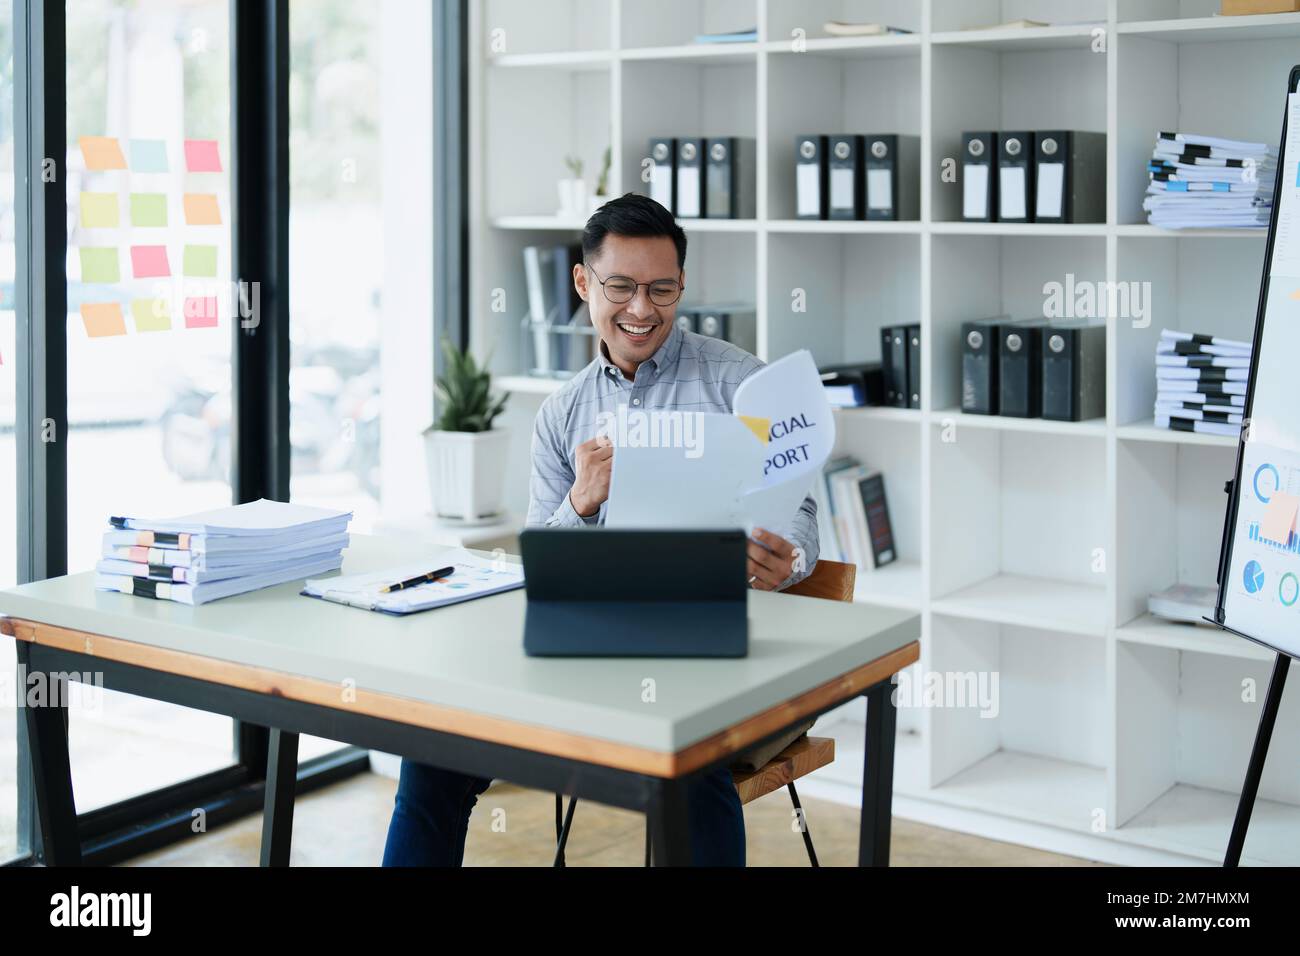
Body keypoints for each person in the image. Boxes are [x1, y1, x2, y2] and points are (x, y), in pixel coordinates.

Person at [383, 193, 819, 867]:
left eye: (661, 289)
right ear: (585, 283)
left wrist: (784, 561)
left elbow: (801, 527)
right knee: (432, 753)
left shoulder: (742, 386)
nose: (642, 309)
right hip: (589, 655)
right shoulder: (563, 414)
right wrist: (581, 505)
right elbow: (541, 569)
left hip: (711, 656)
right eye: (621, 287)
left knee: (687, 757)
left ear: (681, 286)